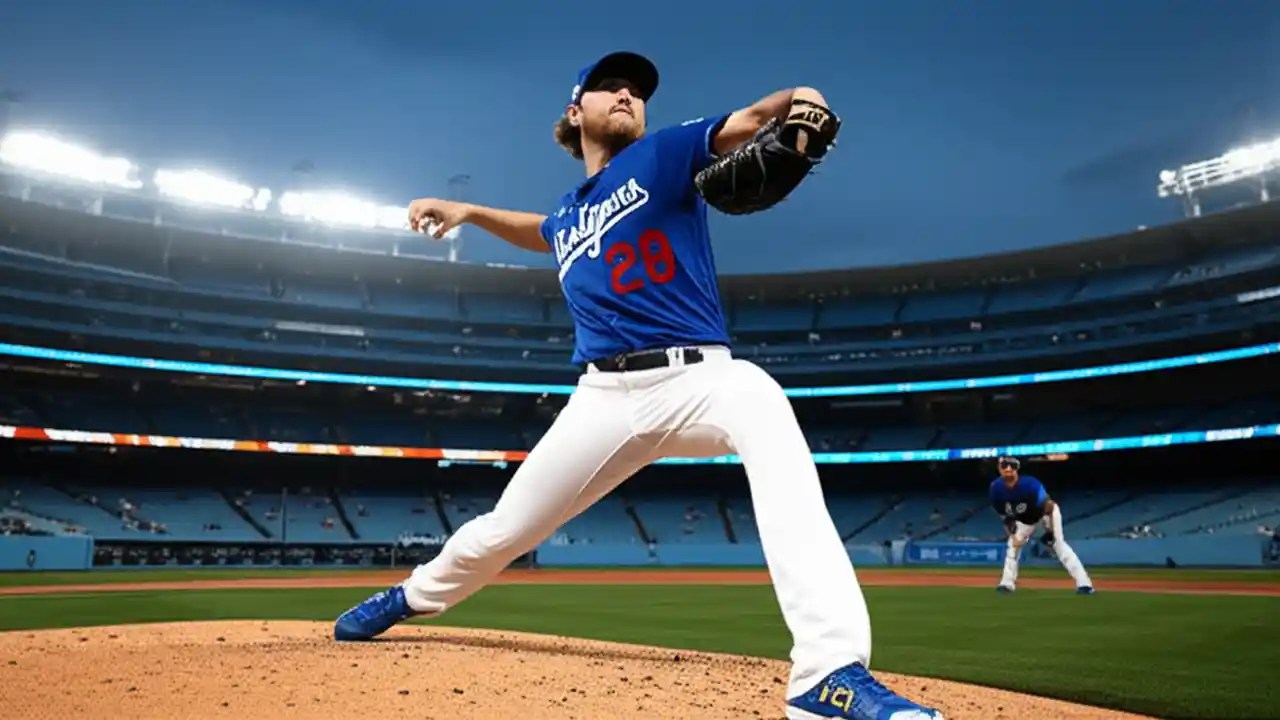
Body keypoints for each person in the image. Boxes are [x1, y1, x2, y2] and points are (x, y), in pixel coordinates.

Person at [334, 51, 942, 720]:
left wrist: (809, 99)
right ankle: (410, 597)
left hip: (700, 380)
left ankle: (826, 675)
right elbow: (541, 234)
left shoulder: (668, 153)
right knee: (505, 529)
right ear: (577, 112)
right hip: (601, 401)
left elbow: (771, 108)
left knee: (764, 403)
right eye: (608, 87)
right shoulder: (569, 215)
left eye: (636, 90)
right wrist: (470, 211)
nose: (627, 95)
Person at [989, 456, 1094, 594]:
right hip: (1024, 521)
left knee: (1059, 546)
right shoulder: (996, 489)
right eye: (1004, 465)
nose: (1008, 469)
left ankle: (1084, 584)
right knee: (1012, 547)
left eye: (1012, 465)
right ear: (999, 469)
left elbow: (1048, 507)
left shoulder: (1030, 485)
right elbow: (1005, 517)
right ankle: (1006, 584)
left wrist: (1049, 531)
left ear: (1017, 469)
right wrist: (1013, 537)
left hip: (1046, 515)